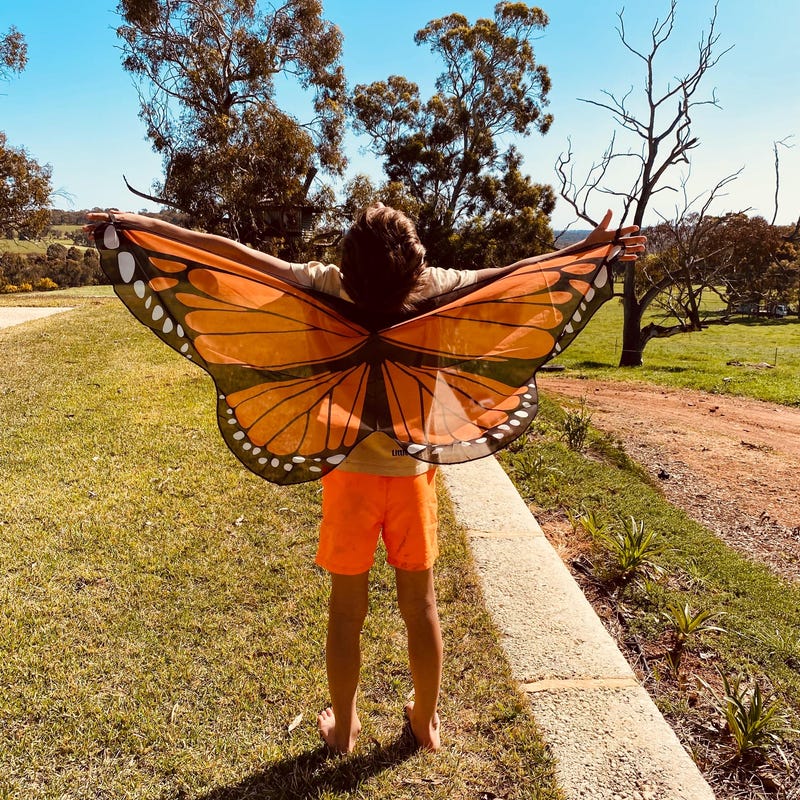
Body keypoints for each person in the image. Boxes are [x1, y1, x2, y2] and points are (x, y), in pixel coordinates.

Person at [85, 205, 646, 754]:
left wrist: (144, 229)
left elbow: (235, 258)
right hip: (412, 474)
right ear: (413, 266)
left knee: (346, 609)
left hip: (348, 474)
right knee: (420, 606)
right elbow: (519, 277)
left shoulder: (326, 285)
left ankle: (345, 727)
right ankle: (424, 722)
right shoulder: (435, 288)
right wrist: (589, 252)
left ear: (349, 263)